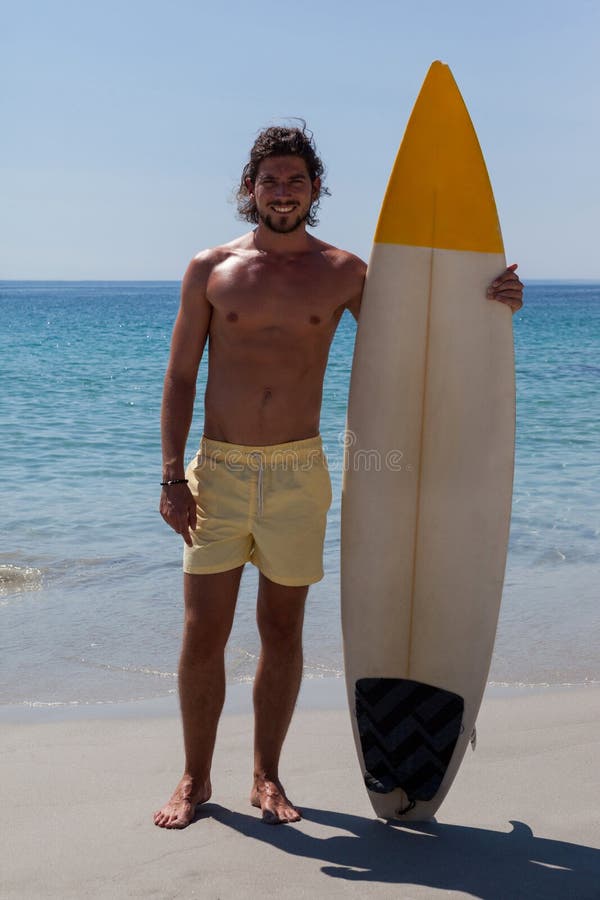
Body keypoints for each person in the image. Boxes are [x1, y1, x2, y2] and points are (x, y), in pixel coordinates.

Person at [153, 124, 524, 830]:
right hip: (220, 471)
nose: (283, 192)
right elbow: (179, 376)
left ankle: (267, 777)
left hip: (298, 471)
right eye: (271, 180)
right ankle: (195, 779)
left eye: (296, 180)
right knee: (204, 633)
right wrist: (172, 477)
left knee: (281, 632)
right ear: (249, 188)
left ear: (315, 189)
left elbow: (420, 330)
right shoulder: (211, 268)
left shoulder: (347, 272)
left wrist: (494, 298)